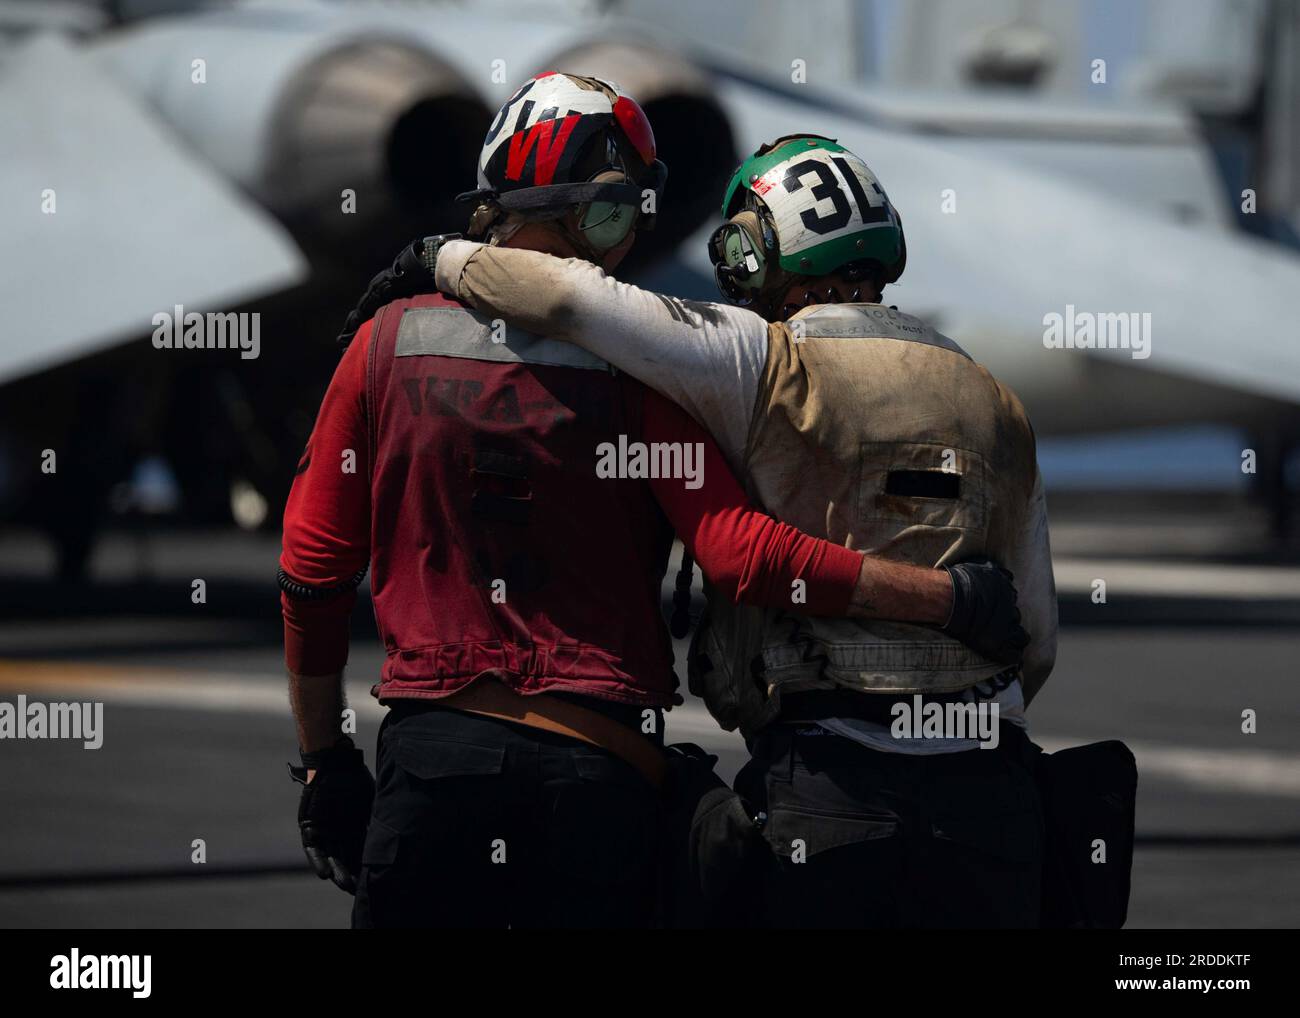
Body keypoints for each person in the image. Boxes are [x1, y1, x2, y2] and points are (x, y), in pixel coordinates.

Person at [284, 86, 1024, 930]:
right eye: (614, 217)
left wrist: (324, 760)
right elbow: (739, 555)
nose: (630, 241)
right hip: (599, 778)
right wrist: (946, 598)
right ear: (568, 215)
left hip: (430, 773)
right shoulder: (643, 373)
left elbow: (311, 575)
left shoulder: (384, 343)